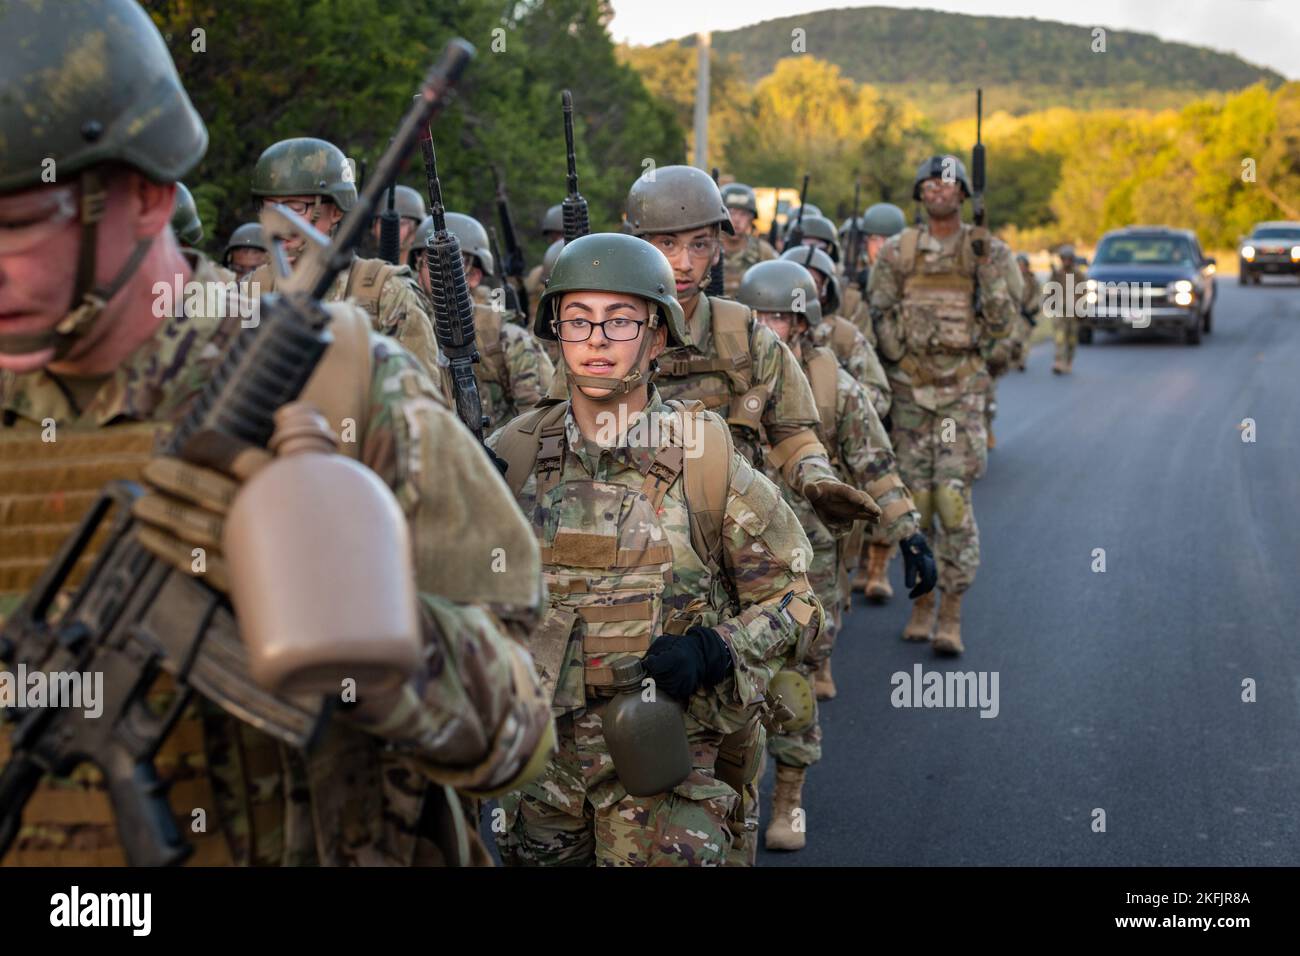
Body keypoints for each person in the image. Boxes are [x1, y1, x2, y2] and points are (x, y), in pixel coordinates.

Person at [0, 0, 554, 866]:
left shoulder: (341, 383)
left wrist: (373, 633)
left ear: (147, 194)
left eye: (16, 222)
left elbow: (519, 730)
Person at [488, 233, 825, 866]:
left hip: (665, 769)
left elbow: (798, 603)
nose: (595, 339)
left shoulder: (705, 457)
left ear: (658, 336)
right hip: (543, 774)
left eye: (619, 320)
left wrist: (715, 649)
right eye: (578, 320)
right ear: (555, 330)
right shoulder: (513, 454)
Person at [737, 259, 934, 851]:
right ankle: (731, 800)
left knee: (791, 679)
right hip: (726, 557)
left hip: (808, 559)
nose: (773, 326)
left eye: (784, 315)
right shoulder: (720, 381)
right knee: (725, 685)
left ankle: (788, 800)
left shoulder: (831, 384)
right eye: (762, 315)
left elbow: (875, 465)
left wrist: (909, 534)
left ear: (804, 321)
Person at [867, 156, 1022, 655]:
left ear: (964, 194)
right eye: (930, 182)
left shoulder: (987, 251)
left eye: (948, 182)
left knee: (951, 499)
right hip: (912, 393)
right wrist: (898, 359)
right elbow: (880, 308)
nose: (938, 189)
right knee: (915, 502)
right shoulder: (899, 251)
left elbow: (1005, 322)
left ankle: (951, 610)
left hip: (960, 395)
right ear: (919, 193)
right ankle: (922, 598)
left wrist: (986, 266)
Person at [243, 137, 443, 385]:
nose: (281, 221)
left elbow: (420, 405)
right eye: (270, 207)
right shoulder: (247, 291)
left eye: (296, 207)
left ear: (336, 211)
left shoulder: (386, 292)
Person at [409, 211, 554, 431]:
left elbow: (537, 424)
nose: (439, 272)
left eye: (451, 264)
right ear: (418, 267)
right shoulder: (405, 333)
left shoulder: (506, 338)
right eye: (430, 261)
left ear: (474, 276)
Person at [719, 182, 777, 297]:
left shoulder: (763, 251)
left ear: (751, 218)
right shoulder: (707, 248)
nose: (736, 220)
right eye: (731, 212)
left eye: (743, 214)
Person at [1050, 245, 1086, 375]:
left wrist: (1082, 309)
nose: (1066, 261)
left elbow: (1084, 292)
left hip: (1074, 313)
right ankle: (1058, 362)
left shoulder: (1078, 275)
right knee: (1059, 338)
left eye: (1068, 258)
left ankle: (1069, 361)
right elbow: (1050, 290)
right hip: (1060, 311)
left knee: (1071, 339)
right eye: (1063, 258)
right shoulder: (1056, 274)